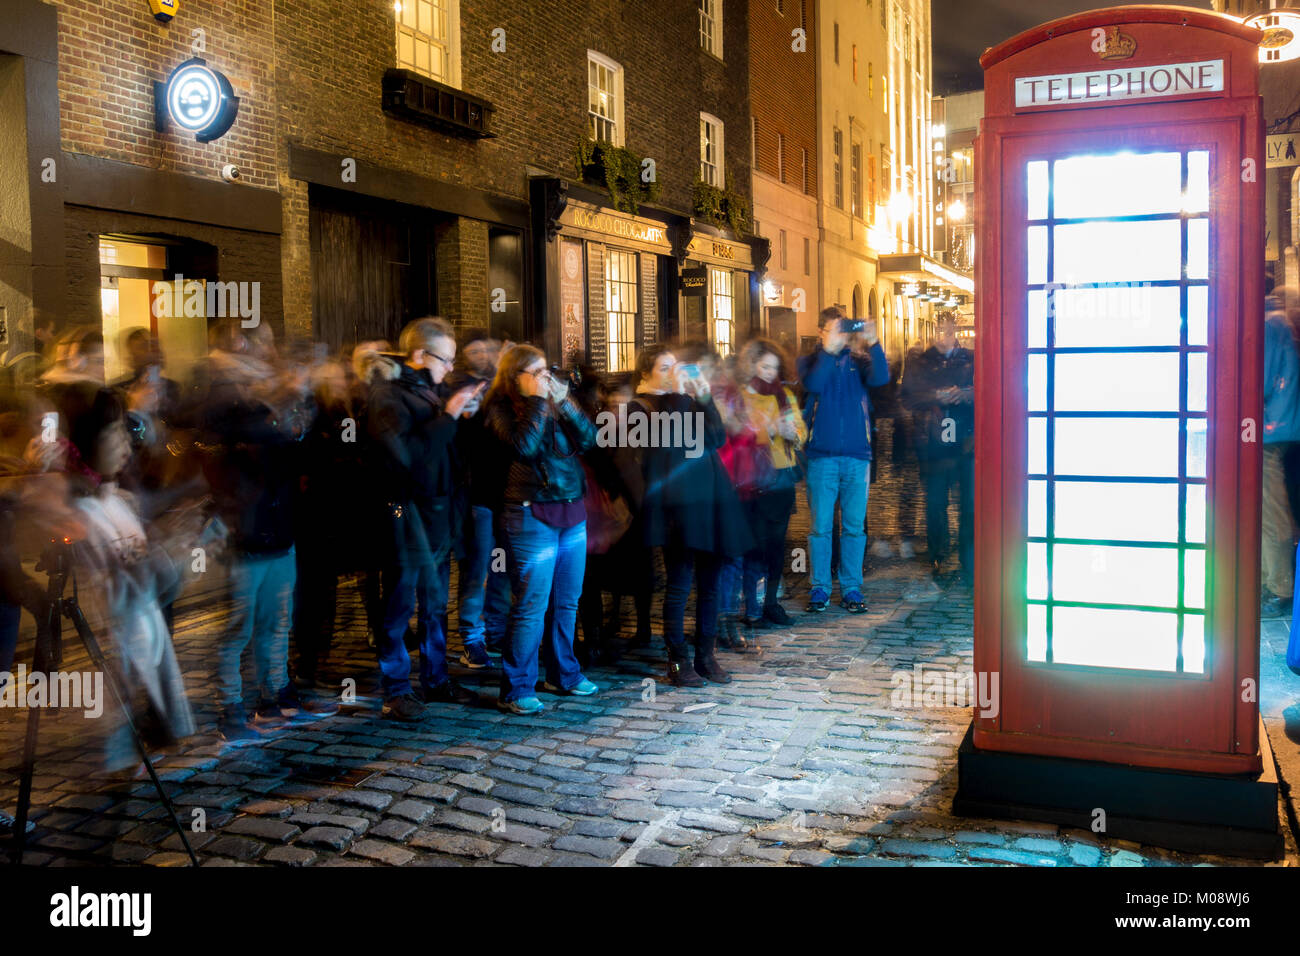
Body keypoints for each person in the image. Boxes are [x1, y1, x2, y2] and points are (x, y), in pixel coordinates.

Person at [367, 318, 482, 720]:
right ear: (419, 354)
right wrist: (448, 416)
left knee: (435, 604)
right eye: (445, 359)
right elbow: (407, 459)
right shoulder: (388, 397)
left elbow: (450, 455)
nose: (451, 368)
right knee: (398, 605)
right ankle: (395, 689)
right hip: (405, 516)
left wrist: (463, 419)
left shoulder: (432, 392)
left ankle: (436, 679)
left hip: (439, 515)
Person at [624, 345, 749, 686]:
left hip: (709, 501)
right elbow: (666, 446)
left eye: (676, 366)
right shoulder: (640, 407)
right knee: (679, 584)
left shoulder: (687, 401)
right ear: (646, 374)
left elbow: (717, 437)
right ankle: (678, 661)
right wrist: (680, 396)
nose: (673, 372)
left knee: (710, 583)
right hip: (676, 508)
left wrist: (705, 397)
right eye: (664, 367)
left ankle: (706, 655)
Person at [484, 346, 599, 714]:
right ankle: (516, 687)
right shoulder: (500, 409)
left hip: (572, 508)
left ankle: (563, 673)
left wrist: (565, 403)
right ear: (514, 376)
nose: (543, 378)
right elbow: (524, 447)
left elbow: (589, 439)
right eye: (533, 372)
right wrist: (536, 402)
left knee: (567, 600)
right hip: (531, 512)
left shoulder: (555, 403)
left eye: (544, 370)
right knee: (532, 603)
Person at [798, 306, 889, 613]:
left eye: (843, 328)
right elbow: (813, 384)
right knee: (820, 527)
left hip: (857, 456)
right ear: (821, 331)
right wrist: (828, 351)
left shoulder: (859, 361)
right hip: (821, 456)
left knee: (853, 527)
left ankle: (851, 587)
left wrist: (874, 343)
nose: (840, 334)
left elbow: (882, 379)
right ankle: (820, 586)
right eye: (833, 328)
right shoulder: (809, 361)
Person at [727, 338, 807, 628]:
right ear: (752, 365)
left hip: (781, 478)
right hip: (751, 481)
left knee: (776, 545)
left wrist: (792, 432)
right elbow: (735, 435)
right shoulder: (740, 396)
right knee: (754, 546)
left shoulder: (785, 395)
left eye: (774, 367)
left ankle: (771, 601)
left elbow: (801, 431)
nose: (771, 372)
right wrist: (769, 429)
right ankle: (751, 607)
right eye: (764, 366)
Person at [447, 328, 509, 669]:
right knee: (476, 568)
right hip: (475, 494)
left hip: (505, 494)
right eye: (475, 351)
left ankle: (496, 631)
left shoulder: (501, 387)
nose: (483, 355)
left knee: (500, 566)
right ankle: (472, 638)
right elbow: (469, 429)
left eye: (487, 348)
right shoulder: (458, 387)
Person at [900, 314, 974, 586]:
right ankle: (938, 558)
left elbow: (990, 390)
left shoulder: (972, 358)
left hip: (966, 442)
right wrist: (936, 396)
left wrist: (966, 393)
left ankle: (970, 562)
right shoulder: (920, 362)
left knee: (968, 505)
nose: (943, 335)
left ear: (954, 331)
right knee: (935, 504)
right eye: (938, 331)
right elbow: (907, 398)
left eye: (947, 330)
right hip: (933, 443)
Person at [1262, 294, 1300, 617]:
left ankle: (1280, 587)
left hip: (1270, 429)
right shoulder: (1280, 322)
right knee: (1270, 507)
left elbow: (1258, 380)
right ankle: (1270, 581)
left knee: (1270, 509)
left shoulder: (1271, 323)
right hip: (1280, 426)